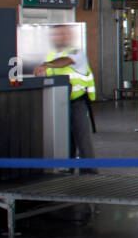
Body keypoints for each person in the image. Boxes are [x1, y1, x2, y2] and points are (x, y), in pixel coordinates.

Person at [34, 24, 97, 172]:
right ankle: (67, 171)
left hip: (77, 104)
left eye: (63, 34)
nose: (59, 37)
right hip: (57, 105)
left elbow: (66, 61)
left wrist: (46, 65)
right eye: (56, 34)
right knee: (64, 140)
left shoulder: (76, 52)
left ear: (69, 36)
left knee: (82, 140)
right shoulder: (50, 55)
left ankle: (90, 174)